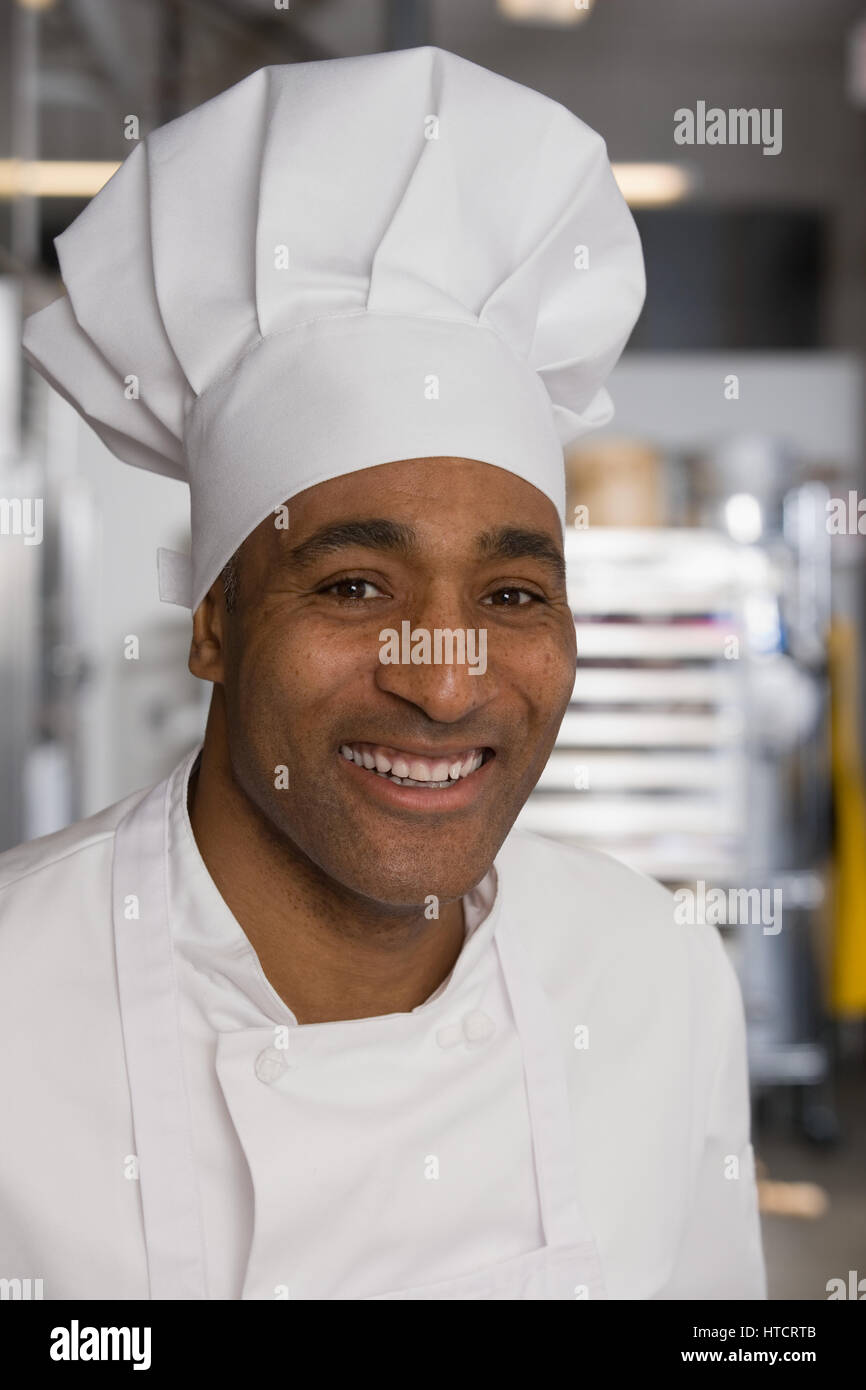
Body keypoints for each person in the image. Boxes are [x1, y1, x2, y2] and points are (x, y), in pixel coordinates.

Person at [1, 46, 766, 1300]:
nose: (447, 681)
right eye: (353, 585)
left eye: (512, 595)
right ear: (214, 621)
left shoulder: (651, 976)